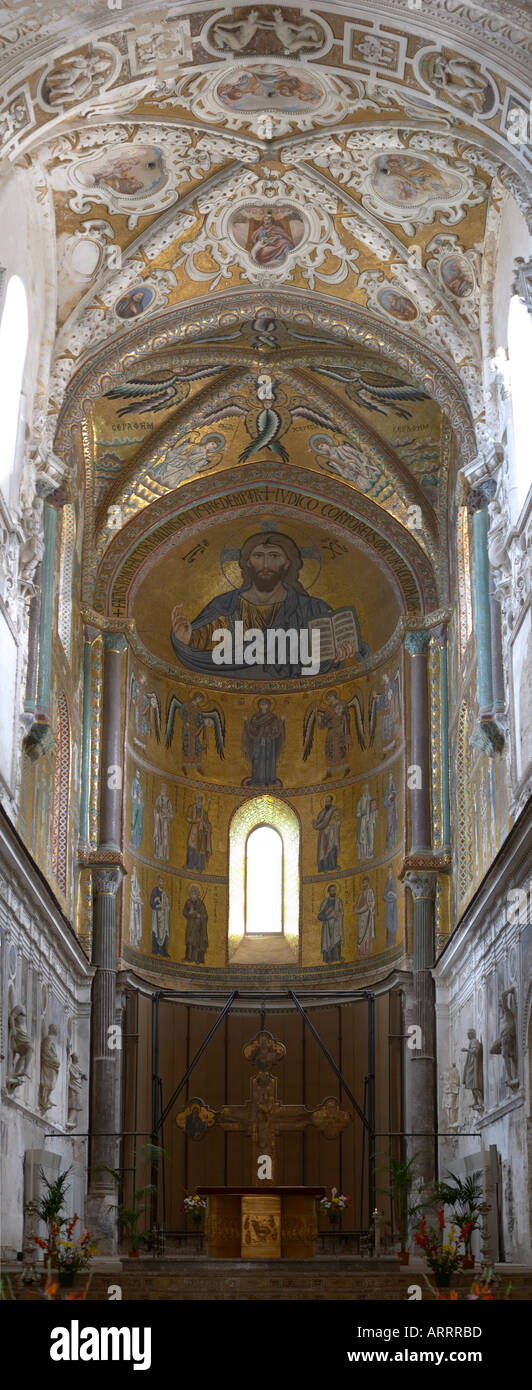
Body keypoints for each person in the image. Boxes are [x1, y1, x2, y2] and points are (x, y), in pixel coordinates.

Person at [170, 531, 334, 679]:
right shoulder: (222, 607)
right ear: (247, 562)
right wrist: (184, 641)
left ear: (288, 563)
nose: (265, 564)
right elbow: (199, 651)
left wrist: (339, 654)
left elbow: (328, 659)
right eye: (258, 556)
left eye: (274, 556)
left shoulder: (313, 609)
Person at [242, 698, 285, 787]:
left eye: (265, 704)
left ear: (268, 706)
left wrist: (281, 721)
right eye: (262, 704)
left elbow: (276, 730)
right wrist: (246, 721)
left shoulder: (272, 717)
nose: (263, 706)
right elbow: (251, 730)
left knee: (268, 758)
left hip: (269, 741)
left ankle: (269, 779)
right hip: (257, 741)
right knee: (258, 758)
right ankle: (257, 779)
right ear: (259, 706)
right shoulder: (255, 717)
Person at [313, 796, 341, 871]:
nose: (327, 803)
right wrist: (316, 824)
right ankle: (323, 867)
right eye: (326, 801)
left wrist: (332, 824)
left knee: (331, 849)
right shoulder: (322, 812)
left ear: (331, 802)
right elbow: (319, 821)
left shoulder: (334, 810)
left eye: (328, 801)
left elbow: (338, 821)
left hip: (332, 833)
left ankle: (332, 866)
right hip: (323, 834)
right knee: (323, 850)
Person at [318, 884, 344, 963]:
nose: (333, 892)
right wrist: (328, 912)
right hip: (327, 926)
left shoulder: (338, 901)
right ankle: (328, 959)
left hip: (336, 925)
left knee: (337, 941)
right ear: (328, 892)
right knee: (327, 942)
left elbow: (341, 913)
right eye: (332, 890)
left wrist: (337, 914)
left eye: (334, 890)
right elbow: (320, 916)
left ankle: (338, 958)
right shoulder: (325, 902)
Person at [185, 794, 212, 872]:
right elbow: (188, 818)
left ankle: (197, 866)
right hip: (193, 832)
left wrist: (206, 826)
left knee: (199, 850)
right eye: (198, 800)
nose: (199, 801)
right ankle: (189, 865)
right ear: (196, 800)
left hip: (200, 834)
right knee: (191, 847)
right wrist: (195, 820)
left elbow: (208, 824)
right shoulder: (191, 808)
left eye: (201, 800)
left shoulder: (204, 813)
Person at [182, 885, 209, 964]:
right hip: (190, 926)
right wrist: (189, 913)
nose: (193, 894)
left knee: (197, 943)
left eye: (195, 893)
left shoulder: (201, 903)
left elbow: (205, 915)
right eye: (192, 893)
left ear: (197, 894)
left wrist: (199, 916)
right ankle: (188, 958)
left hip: (198, 927)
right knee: (189, 942)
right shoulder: (188, 902)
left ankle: (197, 959)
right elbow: (184, 912)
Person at [39, 1024, 61, 1113]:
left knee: (51, 1084)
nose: (57, 1031)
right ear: (52, 1029)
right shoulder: (49, 1038)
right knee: (48, 1083)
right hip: (49, 1063)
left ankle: (47, 1099)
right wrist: (54, 1060)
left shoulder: (51, 1039)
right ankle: (44, 1101)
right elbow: (46, 1050)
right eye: (56, 1029)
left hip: (52, 1064)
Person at [461, 1029, 483, 1109]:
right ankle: (476, 1101)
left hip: (474, 1066)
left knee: (474, 1085)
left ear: (472, 1034)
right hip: (471, 1065)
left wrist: (466, 1050)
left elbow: (475, 1051)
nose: (467, 1035)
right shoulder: (472, 1041)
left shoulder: (475, 1041)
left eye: (468, 1034)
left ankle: (480, 1102)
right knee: (471, 1084)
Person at [355, 877, 376, 957]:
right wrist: (356, 908)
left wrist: (368, 907)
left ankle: (367, 951)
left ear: (368, 883)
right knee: (360, 934)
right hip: (361, 917)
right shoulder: (361, 893)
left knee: (367, 933)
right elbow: (358, 903)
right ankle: (361, 952)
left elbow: (372, 902)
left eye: (365, 883)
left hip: (367, 915)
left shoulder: (370, 891)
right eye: (363, 883)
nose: (364, 884)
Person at [150, 878, 171, 957]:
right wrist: (155, 901)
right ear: (158, 882)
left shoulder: (165, 894)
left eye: (163, 881)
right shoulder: (155, 892)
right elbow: (151, 904)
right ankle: (155, 950)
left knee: (164, 932)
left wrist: (165, 908)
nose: (161, 883)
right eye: (160, 881)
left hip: (164, 917)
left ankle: (163, 951)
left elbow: (168, 906)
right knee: (155, 931)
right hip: (157, 915)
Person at [153, 784, 174, 861]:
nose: (163, 791)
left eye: (164, 789)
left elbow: (171, 815)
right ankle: (158, 854)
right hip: (158, 824)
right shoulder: (158, 799)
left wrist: (166, 815)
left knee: (164, 840)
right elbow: (155, 810)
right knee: (158, 838)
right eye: (162, 789)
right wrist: (157, 812)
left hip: (165, 824)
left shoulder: (168, 801)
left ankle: (165, 856)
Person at [383, 868, 398, 947]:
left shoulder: (393, 880)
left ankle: (392, 942)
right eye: (388, 871)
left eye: (390, 871)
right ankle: (388, 942)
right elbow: (385, 892)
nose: (389, 872)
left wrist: (391, 892)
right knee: (388, 923)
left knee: (392, 922)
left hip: (392, 905)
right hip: (388, 904)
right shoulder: (387, 881)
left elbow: (396, 894)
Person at [130, 769, 144, 849]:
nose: (138, 775)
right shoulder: (134, 782)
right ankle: (133, 841)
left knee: (138, 826)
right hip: (135, 808)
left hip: (139, 809)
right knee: (133, 824)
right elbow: (133, 795)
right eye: (137, 773)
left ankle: (137, 843)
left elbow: (142, 803)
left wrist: (140, 802)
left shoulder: (139, 786)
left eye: (139, 773)